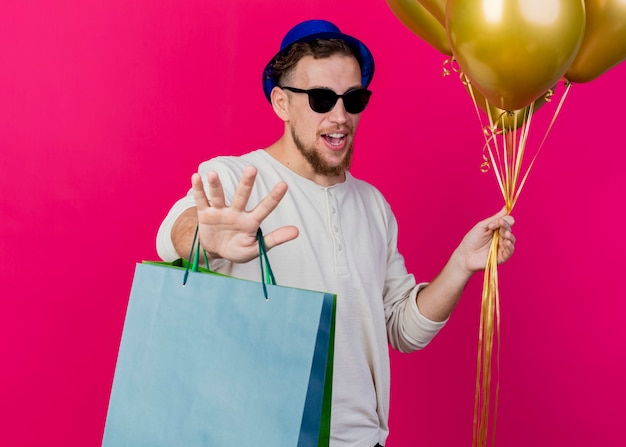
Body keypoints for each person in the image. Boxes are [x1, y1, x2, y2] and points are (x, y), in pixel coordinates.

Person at [156, 19, 515, 447]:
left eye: (353, 99)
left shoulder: (373, 206)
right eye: (322, 99)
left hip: (363, 441)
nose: (340, 116)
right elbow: (172, 234)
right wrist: (202, 238)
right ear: (281, 103)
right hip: (257, 436)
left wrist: (461, 264)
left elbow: (403, 329)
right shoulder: (237, 178)